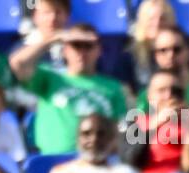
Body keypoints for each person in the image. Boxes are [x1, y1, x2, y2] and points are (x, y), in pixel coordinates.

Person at [18, 23, 128, 156]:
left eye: (88, 46)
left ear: (99, 50)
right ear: (65, 50)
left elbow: (119, 130)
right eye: (76, 45)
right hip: (53, 160)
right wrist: (53, 38)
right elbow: (18, 64)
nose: (82, 53)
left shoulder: (113, 87)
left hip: (96, 161)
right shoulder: (49, 78)